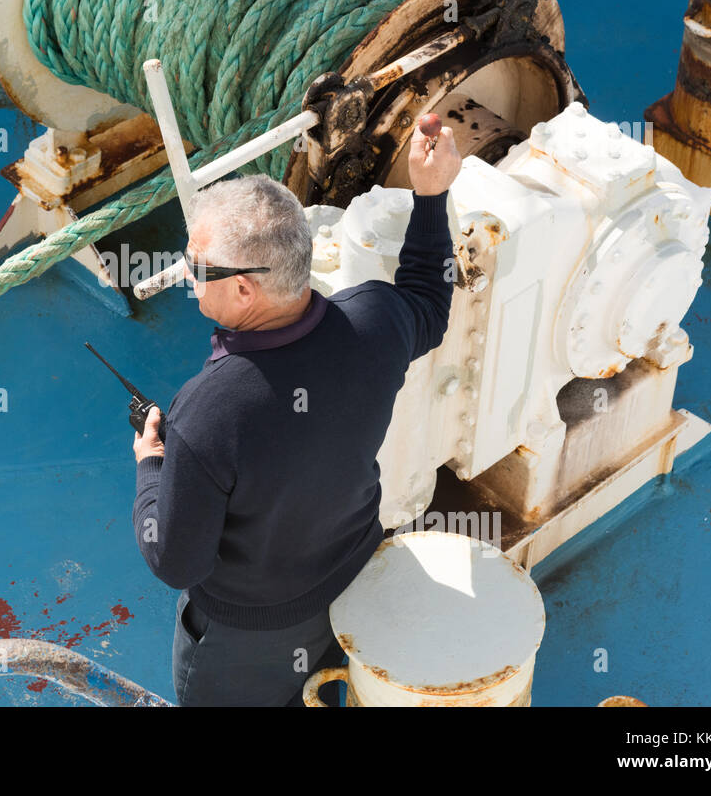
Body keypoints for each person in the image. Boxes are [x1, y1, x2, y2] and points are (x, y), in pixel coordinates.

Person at [130, 120, 462, 706]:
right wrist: (431, 194)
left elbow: (176, 560)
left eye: (197, 267)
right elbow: (430, 304)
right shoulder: (375, 321)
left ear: (244, 291)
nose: (186, 276)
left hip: (250, 641)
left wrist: (152, 465)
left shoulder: (206, 414)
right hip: (350, 584)